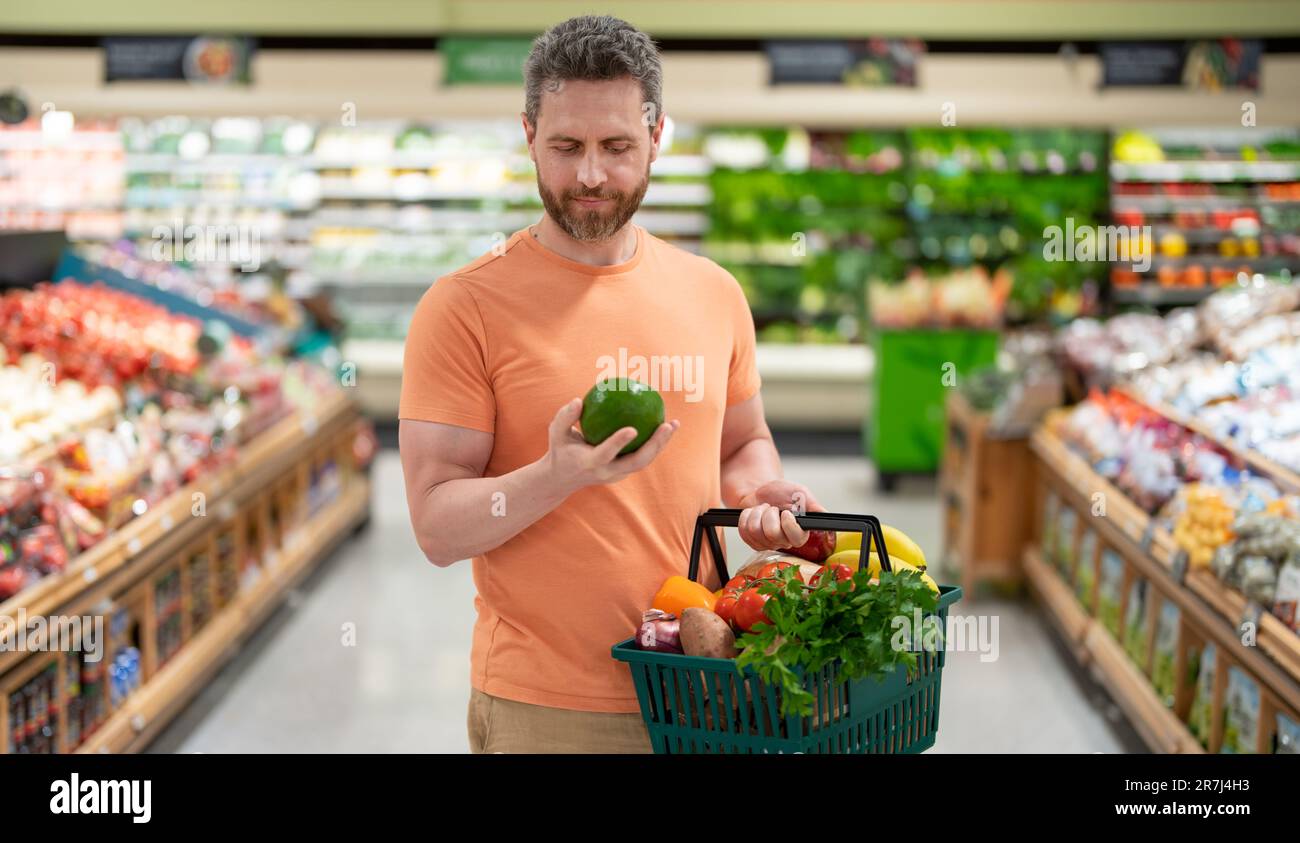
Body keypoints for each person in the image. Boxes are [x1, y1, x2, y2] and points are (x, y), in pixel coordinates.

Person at [399, 14, 823, 754]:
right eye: (566, 146)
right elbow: (437, 526)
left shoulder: (713, 292)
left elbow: (743, 442)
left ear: (656, 137)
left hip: (709, 681)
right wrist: (555, 475)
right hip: (549, 705)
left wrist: (760, 495)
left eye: (617, 146)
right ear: (528, 134)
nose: (591, 174)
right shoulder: (463, 306)